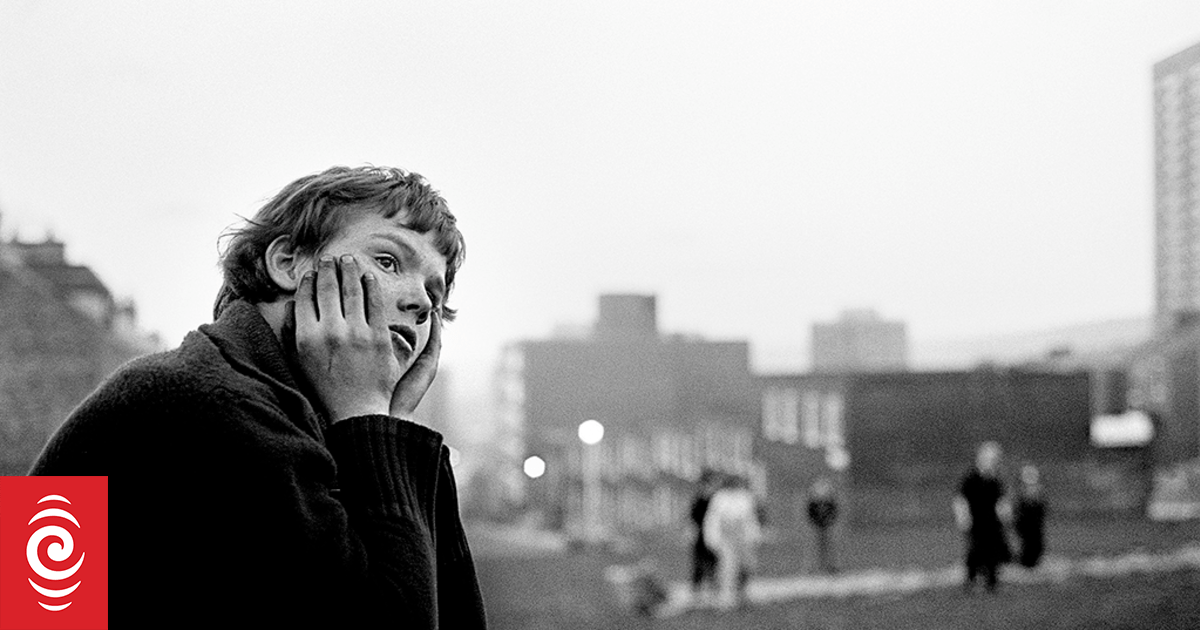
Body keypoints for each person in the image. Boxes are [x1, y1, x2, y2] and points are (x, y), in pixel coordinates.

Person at [30, 165, 487, 628]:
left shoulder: (291, 413)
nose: (422, 303)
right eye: (388, 261)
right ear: (287, 263)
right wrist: (371, 414)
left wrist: (390, 425)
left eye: (435, 291)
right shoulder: (201, 402)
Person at [953, 441, 1012, 594]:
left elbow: (1001, 500)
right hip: (976, 522)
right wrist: (963, 518)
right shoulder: (971, 478)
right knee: (975, 551)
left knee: (994, 552)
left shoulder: (995, 479)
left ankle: (992, 583)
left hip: (992, 522)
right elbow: (961, 499)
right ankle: (971, 581)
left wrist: (1005, 516)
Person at [703, 474, 762, 610]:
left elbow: (750, 518)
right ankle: (726, 598)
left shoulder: (745, 497)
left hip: (743, 537)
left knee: (747, 566)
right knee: (727, 568)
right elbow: (713, 519)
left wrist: (754, 536)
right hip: (726, 537)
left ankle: (743, 593)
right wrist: (712, 539)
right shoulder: (719, 497)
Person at [688, 469, 720, 604]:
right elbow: (693, 517)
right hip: (701, 535)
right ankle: (697, 592)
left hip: (713, 534)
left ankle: (714, 589)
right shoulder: (700, 499)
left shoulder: (716, 498)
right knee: (699, 563)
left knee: (714, 562)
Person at [1013, 463, 1047, 568]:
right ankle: (1025, 563)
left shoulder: (1039, 490)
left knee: (1037, 545)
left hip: (1035, 525)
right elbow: (1018, 509)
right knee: (1027, 545)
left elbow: (1042, 509)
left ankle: (1030, 563)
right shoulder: (1021, 491)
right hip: (1025, 524)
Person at [806, 477, 839, 574]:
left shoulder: (829, 502)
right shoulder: (814, 503)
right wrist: (815, 522)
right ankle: (814, 567)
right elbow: (811, 514)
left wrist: (829, 521)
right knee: (815, 546)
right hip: (816, 526)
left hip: (827, 526)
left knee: (828, 546)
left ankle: (830, 566)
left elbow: (834, 513)